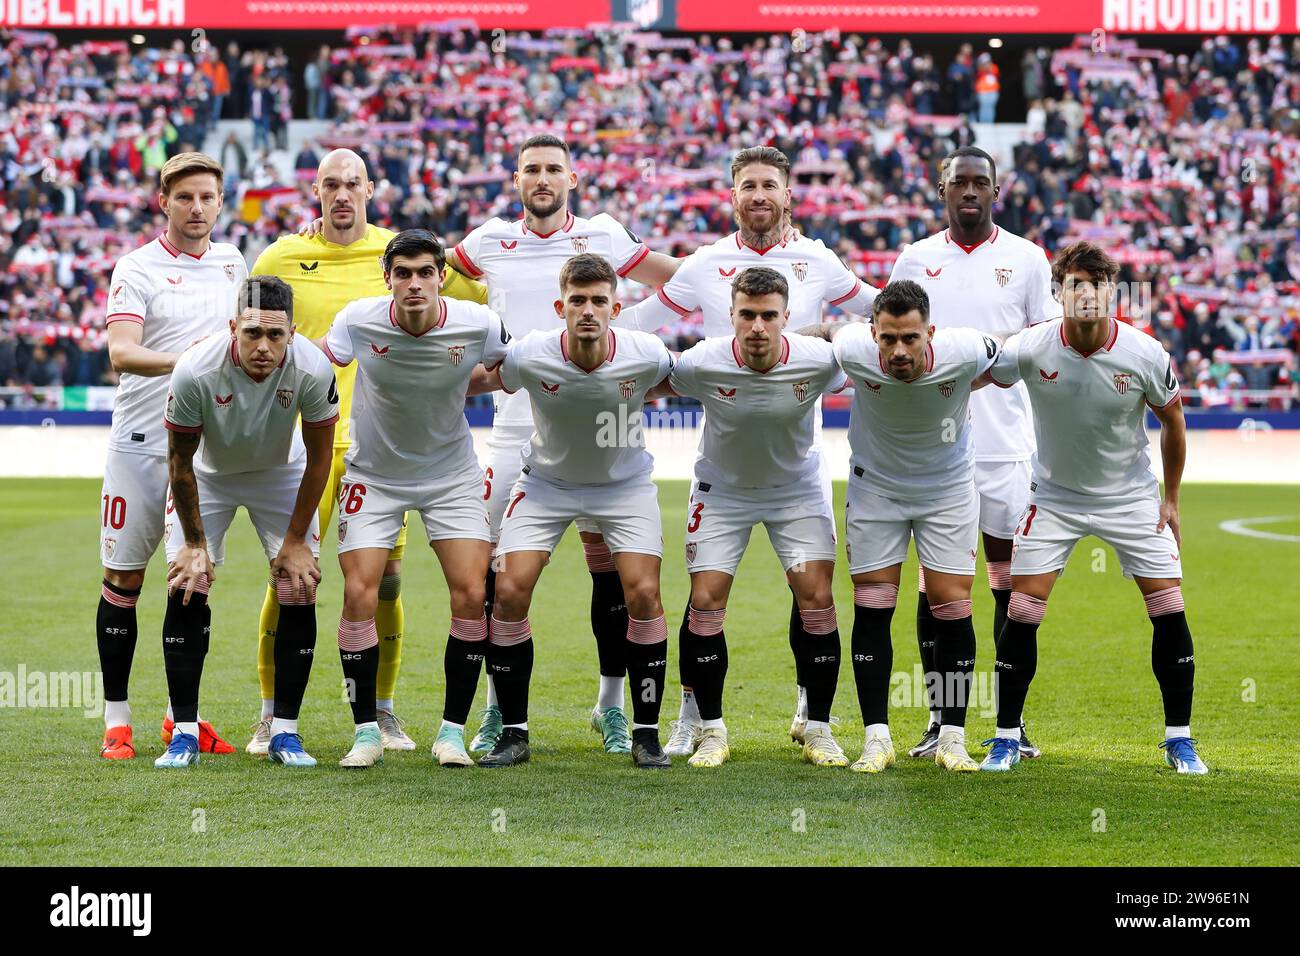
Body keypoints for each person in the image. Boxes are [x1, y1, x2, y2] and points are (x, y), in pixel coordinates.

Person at [621, 144, 877, 755]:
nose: (759, 195)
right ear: (731, 194)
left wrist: (816, 334)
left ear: (789, 193)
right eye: (747, 185)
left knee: (813, 595)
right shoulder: (706, 264)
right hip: (723, 461)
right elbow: (638, 322)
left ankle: (813, 716)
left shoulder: (819, 260)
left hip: (800, 465)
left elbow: (878, 317)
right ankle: (694, 715)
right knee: (704, 599)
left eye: (770, 184)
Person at [446, 133, 681, 757]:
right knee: (502, 577)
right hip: (518, 427)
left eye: (554, 169)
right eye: (532, 169)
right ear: (516, 178)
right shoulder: (487, 240)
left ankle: (611, 708)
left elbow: (680, 284)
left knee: (614, 577)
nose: (543, 178)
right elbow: (419, 274)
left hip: (607, 424)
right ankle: (499, 715)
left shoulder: (605, 233)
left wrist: (625, 336)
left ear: (572, 178)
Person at [251, 149, 488, 755]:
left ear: (370, 189)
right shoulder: (279, 256)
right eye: (330, 184)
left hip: (396, 450)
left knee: (388, 584)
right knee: (291, 576)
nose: (341, 194)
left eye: (352, 183)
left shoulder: (400, 251)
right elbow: (256, 327)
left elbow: (480, 309)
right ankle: (270, 713)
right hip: (311, 443)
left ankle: (382, 713)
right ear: (316, 191)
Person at [981, 242, 1206, 774]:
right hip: (1053, 497)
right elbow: (975, 378)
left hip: (1130, 497)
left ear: (1112, 292)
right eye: (1073, 284)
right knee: (1022, 610)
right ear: (1058, 292)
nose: (1085, 294)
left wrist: (1170, 498)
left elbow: (1173, 420)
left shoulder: (1145, 353)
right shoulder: (1031, 346)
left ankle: (1180, 739)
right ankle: (1006, 737)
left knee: (1168, 607)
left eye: (1096, 284)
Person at [887, 145, 1059, 760]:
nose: (968, 191)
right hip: (931, 452)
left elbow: (1048, 346)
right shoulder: (915, 259)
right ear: (941, 190)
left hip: (1007, 448)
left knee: (1012, 587)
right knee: (939, 589)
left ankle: (1011, 725)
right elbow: (894, 345)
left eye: (978, 182)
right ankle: (942, 719)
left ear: (995, 191)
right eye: (957, 181)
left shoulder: (1028, 259)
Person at [317, 231, 508, 769]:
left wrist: (453, 383)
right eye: (404, 273)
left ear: (441, 276)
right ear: (388, 278)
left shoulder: (479, 323)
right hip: (374, 475)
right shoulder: (358, 319)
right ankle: (365, 733)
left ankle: (450, 733)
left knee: (472, 594)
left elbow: (507, 368)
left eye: (426, 272)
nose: (415, 282)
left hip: (452, 475)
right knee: (359, 592)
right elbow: (317, 364)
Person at [659, 267, 850, 768]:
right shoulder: (703, 362)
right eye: (748, 315)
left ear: (788, 318)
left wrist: (835, 330)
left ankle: (820, 728)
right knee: (704, 602)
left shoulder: (819, 362)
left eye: (770, 315)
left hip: (797, 491)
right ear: (731, 317)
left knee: (818, 599)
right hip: (722, 491)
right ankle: (711, 729)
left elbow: (876, 365)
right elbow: (648, 382)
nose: (759, 326)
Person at [810, 280, 1003, 773]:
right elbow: (823, 332)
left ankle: (953, 738)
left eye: (910, 339)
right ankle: (877, 738)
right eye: (888, 338)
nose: (898, 351)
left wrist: (962, 386)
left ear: (930, 333)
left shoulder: (965, 349)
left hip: (948, 492)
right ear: (872, 332)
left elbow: (1008, 362)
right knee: (874, 609)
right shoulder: (853, 346)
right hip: (875, 490)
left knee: (952, 608)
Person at [96, 152, 245, 761]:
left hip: (206, 450)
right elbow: (123, 353)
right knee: (124, 580)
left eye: (207, 197)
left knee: (192, 579)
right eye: (185, 197)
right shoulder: (136, 267)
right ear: (165, 202)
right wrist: (195, 359)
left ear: (219, 200)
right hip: (140, 443)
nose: (197, 208)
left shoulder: (235, 261)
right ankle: (116, 719)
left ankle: (180, 718)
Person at [157, 275, 337, 768]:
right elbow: (179, 461)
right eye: (252, 333)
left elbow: (321, 459)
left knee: (299, 585)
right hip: (208, 475)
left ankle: (285, 732)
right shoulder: (195, 370)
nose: (263, 346)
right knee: (187, 583)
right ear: (233, 326)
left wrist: (297, 539)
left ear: (293, 333)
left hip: (281, 473)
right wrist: (194, 544)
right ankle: (185, 732)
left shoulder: (314, 369)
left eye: (275, 336)